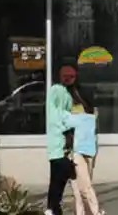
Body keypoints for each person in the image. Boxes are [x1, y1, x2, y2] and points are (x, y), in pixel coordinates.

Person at [44, 66, 78, 215]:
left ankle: (53, 208)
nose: (69, 79)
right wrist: (70, 123)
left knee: (59, 179)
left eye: (72, 76)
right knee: (60, 175)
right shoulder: (56, 90)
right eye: (67, 76)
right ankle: (52, 207)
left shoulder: (68, 94)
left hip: (63, 142)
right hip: (57, 140)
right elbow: (56, 114)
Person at [68, 83, 104, 215]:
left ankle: (94, 211)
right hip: (82, 150)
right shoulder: (91, 112)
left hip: (78, 149)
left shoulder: (75, 110)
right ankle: (92, 211)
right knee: (83, 186)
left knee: (81, 187)